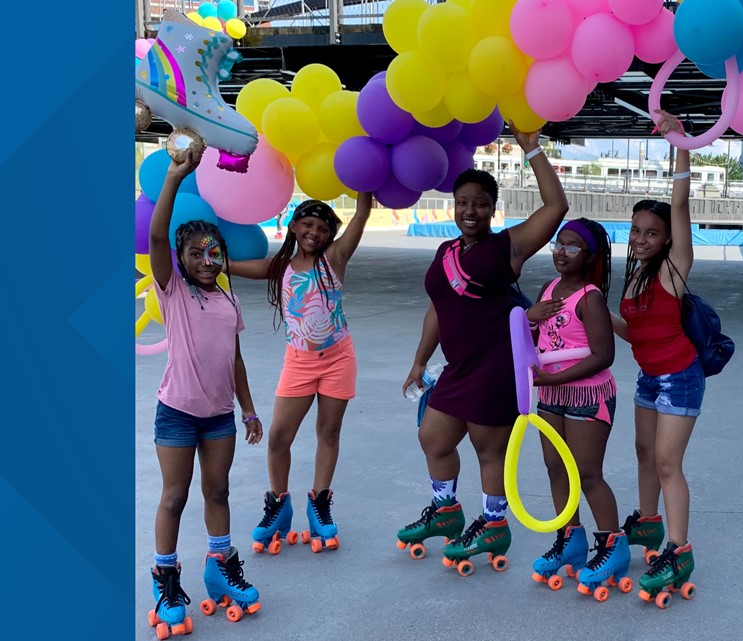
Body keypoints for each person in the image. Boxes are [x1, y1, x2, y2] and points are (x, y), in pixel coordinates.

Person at [396, 123, 569, 574]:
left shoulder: (504, 249)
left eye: (480, 204)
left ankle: (494, 525)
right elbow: (438, 308)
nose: (470, 211)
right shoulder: (445, 251)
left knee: (487, 450)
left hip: (497, 366)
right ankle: (446, 509)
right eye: (463, 203)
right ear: (453, 206)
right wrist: (419, 360)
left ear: (493, 208)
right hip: (457, 367)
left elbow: (557, 207)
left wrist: (531, 148)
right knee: (433, 437)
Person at [146, 149, 263, 635]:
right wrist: (175, 178)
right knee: (174, 496)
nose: (206, 259)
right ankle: (165, 577)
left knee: (218, 490)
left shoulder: (229, 299)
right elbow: (156, 235)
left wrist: (250, 411)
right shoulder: (172, 290)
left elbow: (233, 359)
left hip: (219, 417)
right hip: (176, 412)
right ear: (181, 259)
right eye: (196, 253)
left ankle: (220, 566)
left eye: (213, 252)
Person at [229, 193, 373, 554]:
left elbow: (362, 213)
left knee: (329, 430)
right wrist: (209, 257)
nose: (314, 232)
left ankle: (319, 503)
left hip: (339, 357)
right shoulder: (280, 267)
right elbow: (228, 265)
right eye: (308, 225)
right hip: (299, 362)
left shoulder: (334, 258)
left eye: (323, 229)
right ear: (293, 226)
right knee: (279, 437)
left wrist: (366, 185)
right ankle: (278, 504)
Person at [609, 110, 701, 605]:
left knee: (668, 463)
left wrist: (679, 141)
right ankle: (648, 525)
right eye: (636, 230)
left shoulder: (673, 270)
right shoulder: (638, 276)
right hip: (649, 377)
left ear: (667, 239)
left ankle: (678, 548)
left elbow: (680, 204)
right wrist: (595, 319)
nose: (641, 238)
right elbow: (636, 333)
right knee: (644, 455)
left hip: (681, 377)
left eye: (651, 232)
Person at [526, 217, 627, 597]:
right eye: (558, 244)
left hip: (587, 394)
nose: (561, 252)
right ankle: (570, 539)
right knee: (556, 468)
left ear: (590, 256)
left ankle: (611, 546)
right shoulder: (547, 288)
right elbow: (532, 340)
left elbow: (604, 354)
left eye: (572, 247)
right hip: (551, 395)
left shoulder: (590, 297)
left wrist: (552, 379)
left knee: (587, 473)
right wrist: (528, 318)